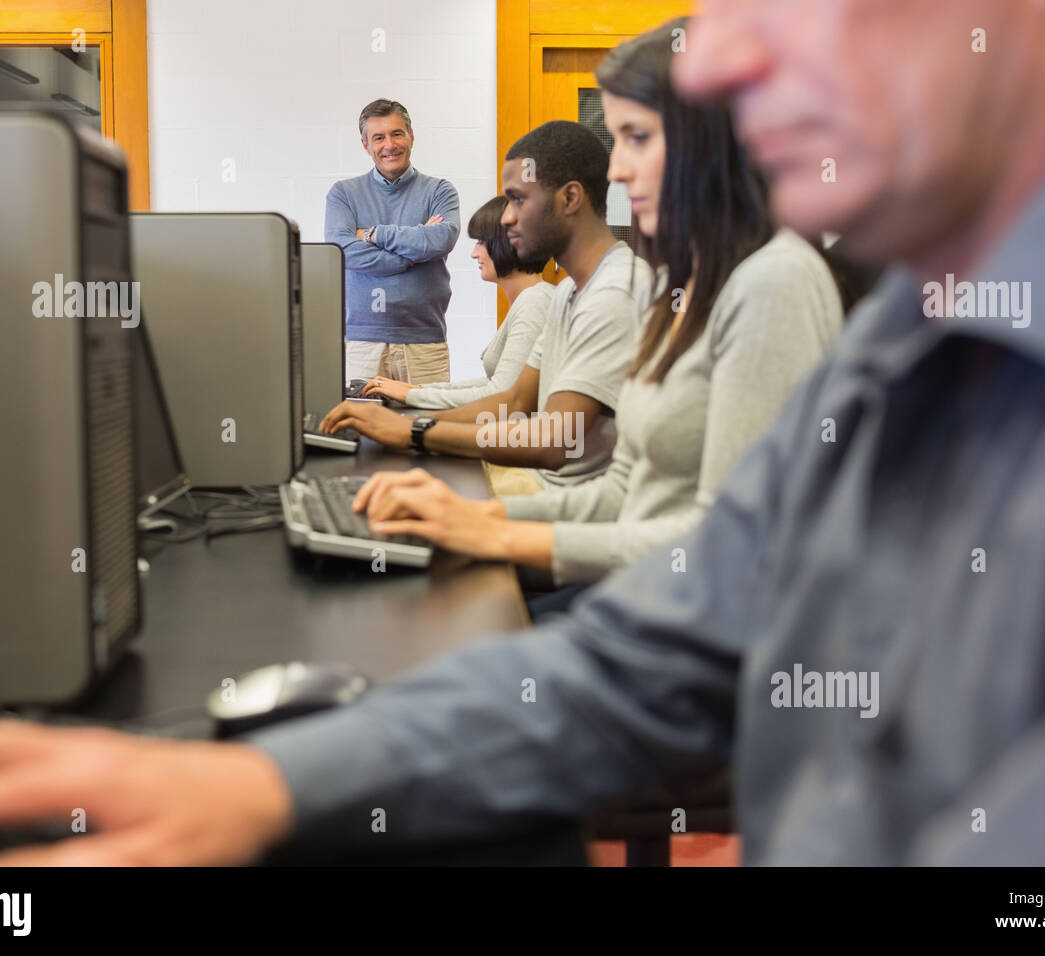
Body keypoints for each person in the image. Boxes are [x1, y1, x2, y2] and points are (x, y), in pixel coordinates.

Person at [0, 0, 1045, 867]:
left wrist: (489, 515)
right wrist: (266, 784)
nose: (720, 64)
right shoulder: (912, 324)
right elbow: (654, 644)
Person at [352, 21, 843, 618]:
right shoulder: (672, 288)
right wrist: (478, 519)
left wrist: (492, 531)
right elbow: (621, 494)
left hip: (685, 628)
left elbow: (729, 547)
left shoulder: (773, 282)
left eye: (637, 138)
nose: (617, 170)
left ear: (707, 142)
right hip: (635, 592)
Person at [318, 121, 653, 495]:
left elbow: (554, 442)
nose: (506, 218)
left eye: (518, 199)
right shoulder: (565, 294)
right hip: (544, 483)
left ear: (570, 199)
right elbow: (513, 399)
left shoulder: (615, 290)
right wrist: (404, 418)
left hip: (560, 493)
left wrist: (413, 429)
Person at [361, 196, 554, 409]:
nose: (474, 253)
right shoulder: (530, 299)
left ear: (512, 242)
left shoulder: (534, 302)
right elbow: (494, 383)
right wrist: (415, 391)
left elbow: (502, 394)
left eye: (481, 243)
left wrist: (411, 396)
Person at [326, 98, 460, 386]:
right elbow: (342, 251)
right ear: (365, 145)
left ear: (411, 137)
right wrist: (413, 253)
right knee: (360, 429)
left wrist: (373, 234)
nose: (389, 145)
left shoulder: (440, 191)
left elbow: (442, 238)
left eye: (397, 134)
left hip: (425, 342)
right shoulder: (343, 194)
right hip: (362, 343)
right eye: (378, 137)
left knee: (426, 429)